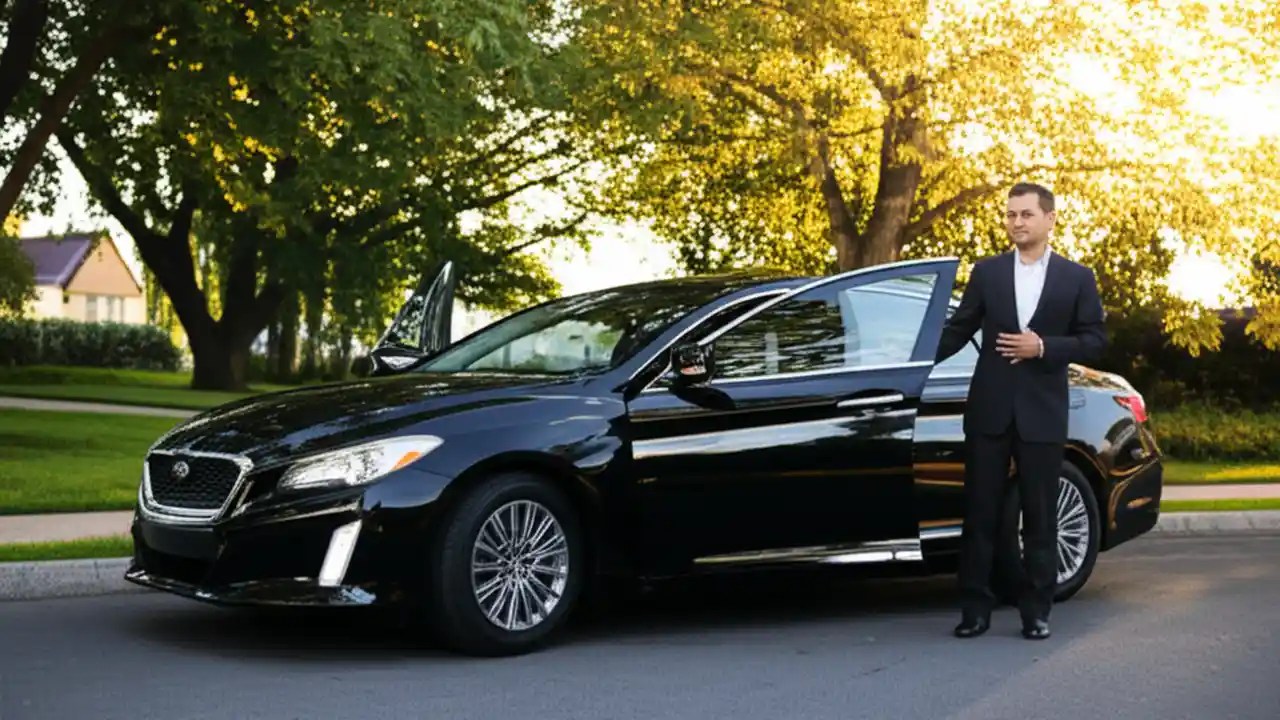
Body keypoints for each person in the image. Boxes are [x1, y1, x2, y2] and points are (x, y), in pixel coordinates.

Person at [935, 182, 1107, 640]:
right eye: (1011, 214)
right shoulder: (987, 273)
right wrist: (909, 361)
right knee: (980, 514)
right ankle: (974, 609)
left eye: (1026, 214)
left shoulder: (1077, 278)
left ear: (1049, 219)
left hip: (1043, 413)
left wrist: (1044, 346)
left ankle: (1037, 612)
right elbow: (958, 329)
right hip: (990, 409)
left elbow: (1096, 340)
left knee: (1040, 516)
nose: (1016, 222)